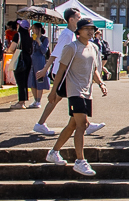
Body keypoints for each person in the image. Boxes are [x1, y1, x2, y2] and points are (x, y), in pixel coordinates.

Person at [44, 21, 107, 173]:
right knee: (82, 125)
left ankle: (53, 152)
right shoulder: (71, 47)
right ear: (79, 31)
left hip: (87, 92)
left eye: (92, 29)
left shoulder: (94, 47)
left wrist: (101, 83)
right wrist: (53, 91)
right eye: (87, 29)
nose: (90, 32)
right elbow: (61, 71)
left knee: (73, 125)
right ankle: (80, 160)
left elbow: (94, 69)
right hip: (74, 91)